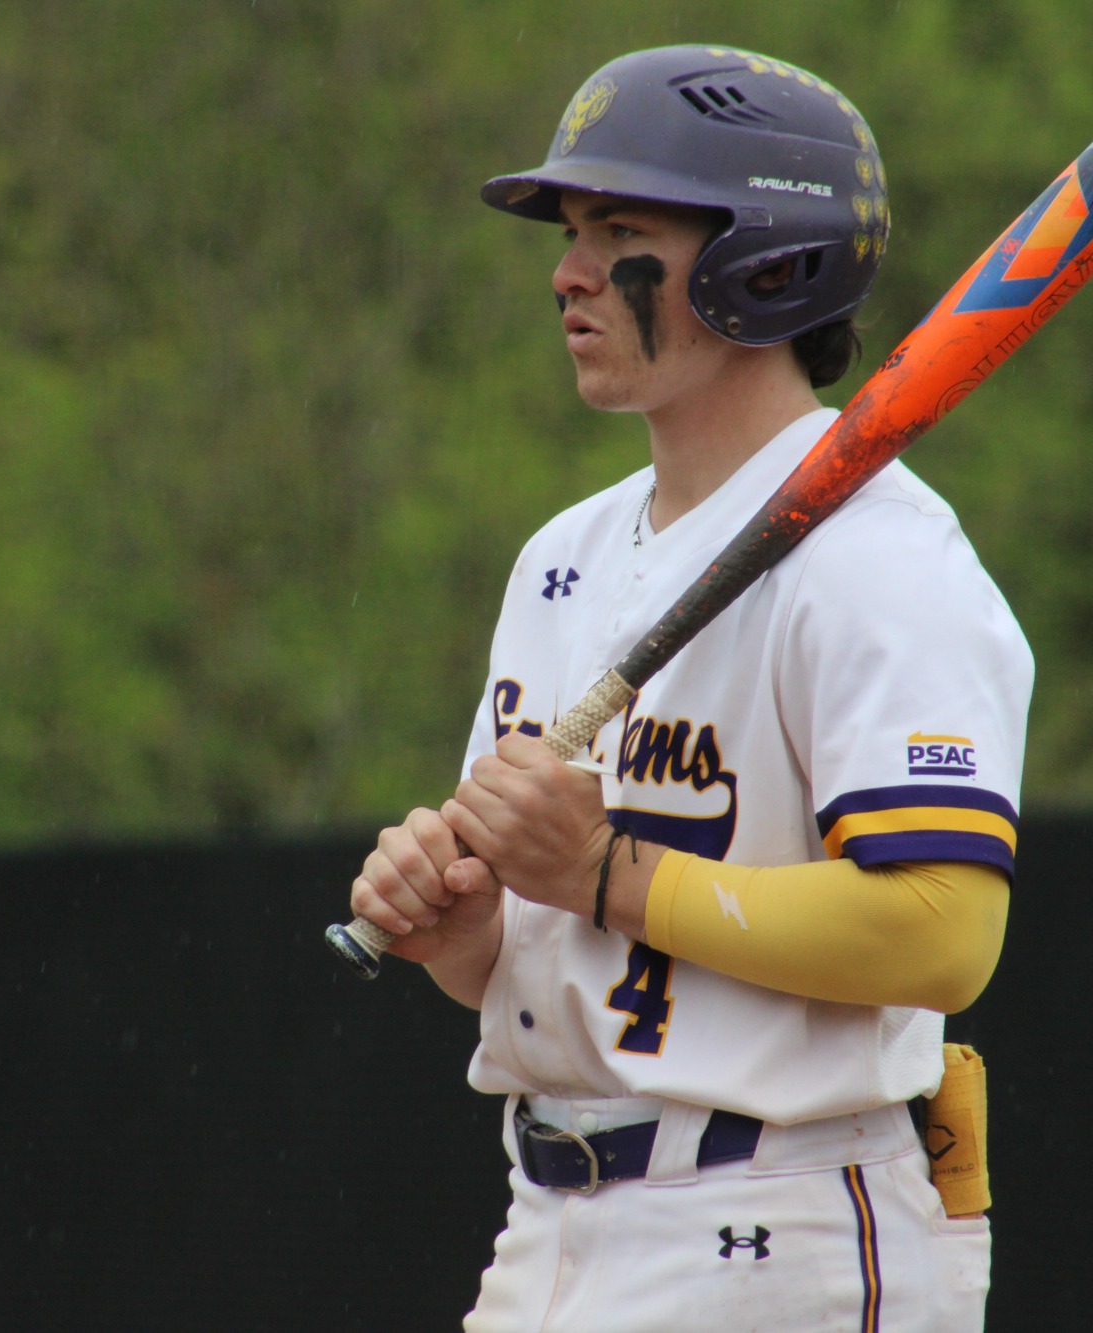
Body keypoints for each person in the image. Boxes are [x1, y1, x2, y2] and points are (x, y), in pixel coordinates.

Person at [348, 44, 1031, 1331]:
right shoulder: (562, 558)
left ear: (763, 260)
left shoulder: (881, 560)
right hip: (548, 1213)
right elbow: (542, 953)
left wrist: (605, 869)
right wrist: (465, 939)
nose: (564, 272)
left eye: (617, 230)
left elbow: (944, 931)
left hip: (781, 1226)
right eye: (570, 231)